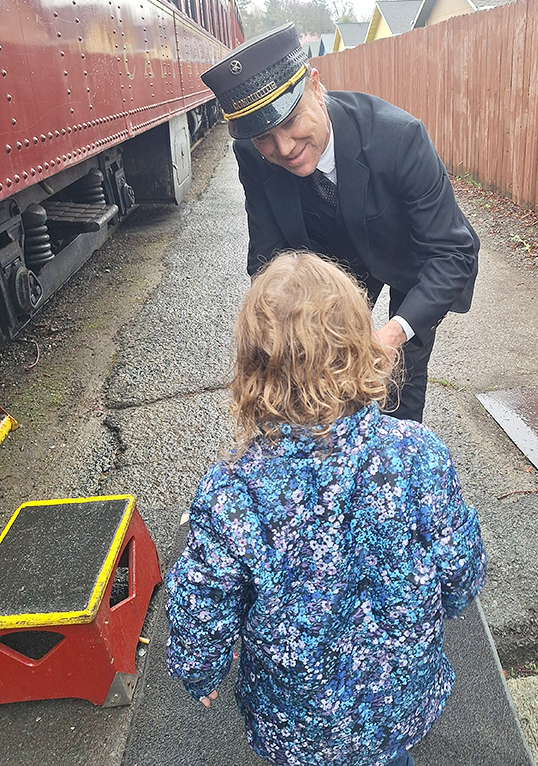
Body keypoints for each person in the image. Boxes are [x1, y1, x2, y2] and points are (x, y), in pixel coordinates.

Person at [166, 252, 486, 766]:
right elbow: (460, 562)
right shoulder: (419, 453)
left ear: (253, 367)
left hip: (297, 718)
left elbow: (204, 599)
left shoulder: (233, 489)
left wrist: (199, 668)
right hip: (396, 697)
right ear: (361, 347)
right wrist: (447, 602)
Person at [201, 23, 480, 423]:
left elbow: (452, 252)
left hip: (409, 256)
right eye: (264, 137)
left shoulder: (399, 138)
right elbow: (267, 255)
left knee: (400, 374)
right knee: (322, 367)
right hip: (329, 257)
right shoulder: (251, 153)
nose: (284, 148)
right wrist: (281, 331)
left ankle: (398, 457)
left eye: (290, 122)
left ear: (315, 86)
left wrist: (393, 333)